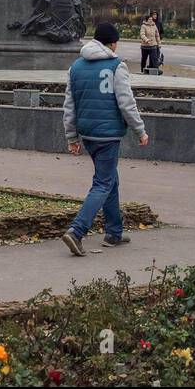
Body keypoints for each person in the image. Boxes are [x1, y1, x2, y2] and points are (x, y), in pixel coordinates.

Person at [61, 22, 149, 256]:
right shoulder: (115, 66)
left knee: (110, 179)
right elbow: (127, 103)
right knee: (103, 183)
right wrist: (140, 131)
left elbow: (69, 106)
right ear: (111, 42)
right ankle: (76, 231)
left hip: (87, 133)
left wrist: (71, 137)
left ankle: (114, 233)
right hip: (108, 135)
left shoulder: (76, 67)